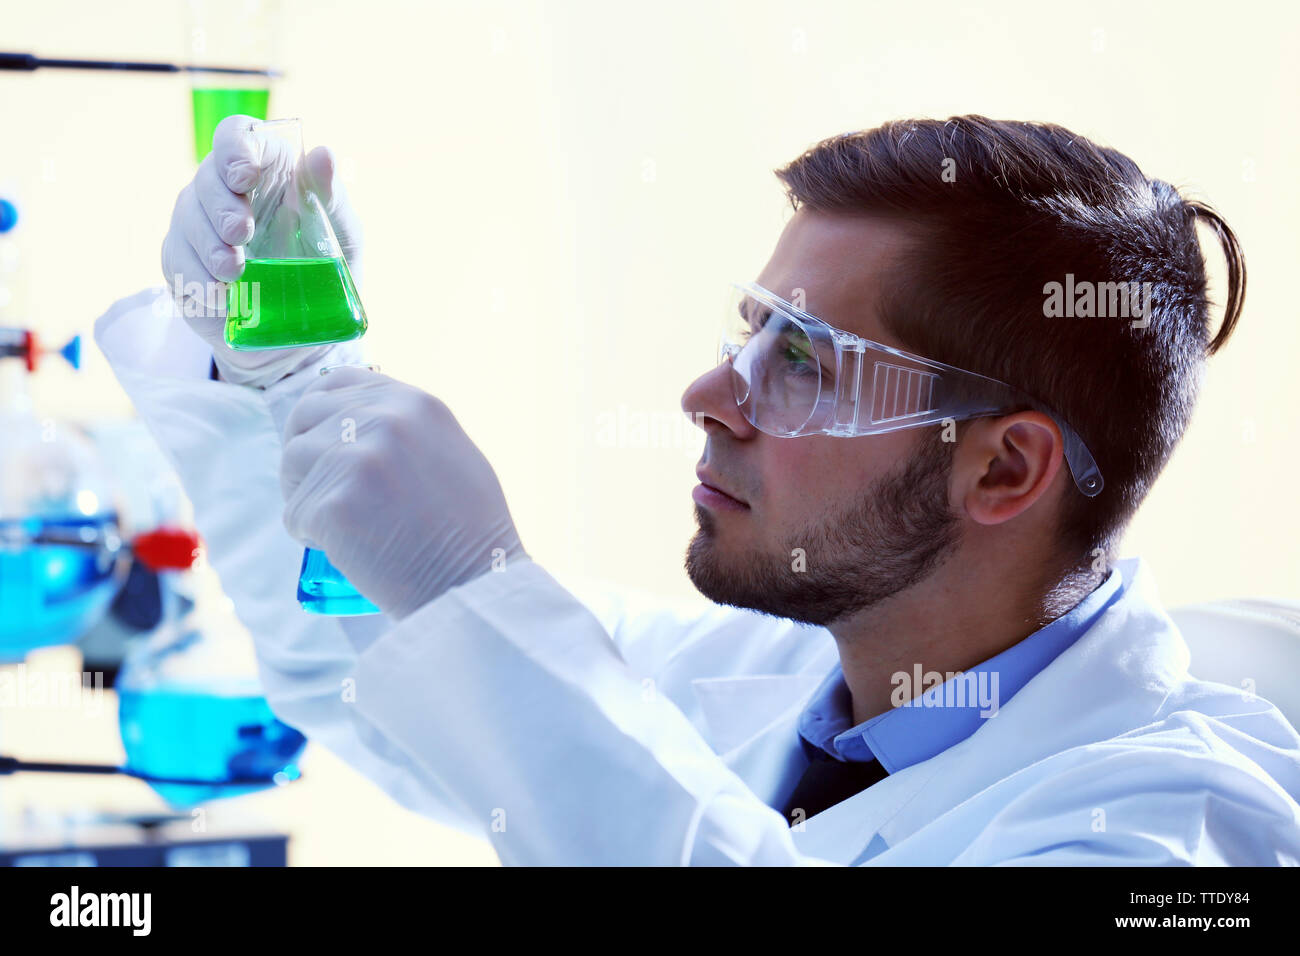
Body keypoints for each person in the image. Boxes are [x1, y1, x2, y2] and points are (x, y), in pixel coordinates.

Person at [96, 114, 1300, 865]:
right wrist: (285, 375)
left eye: (806, 358)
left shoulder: (1181, 834)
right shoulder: (770, 685)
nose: (708, 391)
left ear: (1003, 466)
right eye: (750, 328)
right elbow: (356, 676)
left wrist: (479, 593)